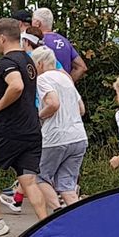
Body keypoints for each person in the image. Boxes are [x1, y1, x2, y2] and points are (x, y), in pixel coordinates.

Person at [0, 18, 54, 237]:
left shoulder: (7, 61)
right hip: (32, 130)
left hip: (9, 131)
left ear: (1, 38)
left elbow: (16, 86)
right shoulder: (28, 60)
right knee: (28, 180)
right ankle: (46, 227)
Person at [35, 46, 88, 206]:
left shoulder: (43, 79)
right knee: (66, 184)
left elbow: (53, 103)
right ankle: (76, 220)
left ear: (40, 64)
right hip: (78, 137)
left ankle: (57, 212)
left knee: (39, 177)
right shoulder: (66, 79)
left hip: (55, 137)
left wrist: (38, 117)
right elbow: (81, 109)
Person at [33, 7, 87, 82]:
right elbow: (81, 67)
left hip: (45, 89)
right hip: (63, 91)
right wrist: (67, 84)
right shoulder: (65, 41)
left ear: (37, 23)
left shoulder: (36, 42)